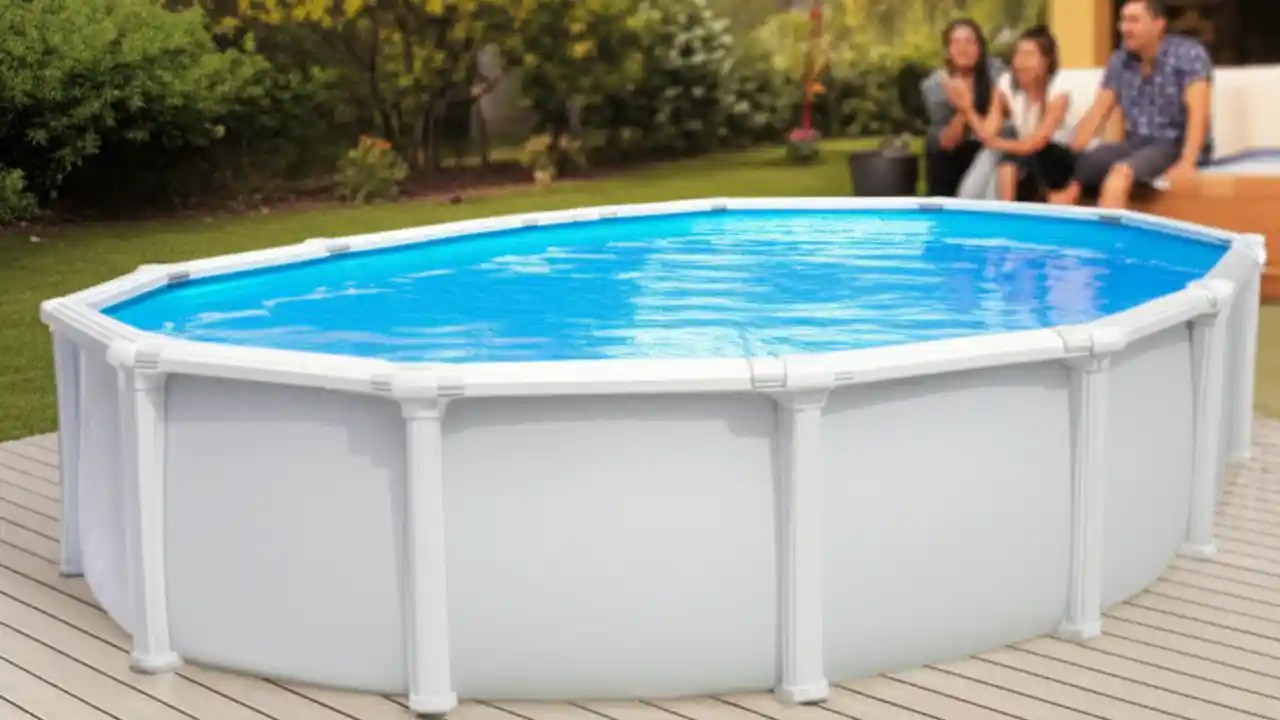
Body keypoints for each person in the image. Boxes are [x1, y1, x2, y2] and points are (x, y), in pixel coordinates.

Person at [1053, 0, 1213, 208]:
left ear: (1159, 25)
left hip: (1173, 144)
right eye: (1123, 21)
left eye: (1134, 21)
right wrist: (1071, 152)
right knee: (1087, 166)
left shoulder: (1189, 55)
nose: (1125, 28)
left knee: (1119, 175)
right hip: (1135, 143)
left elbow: (1198, 112)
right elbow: (1098, 111)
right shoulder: (1120, 61)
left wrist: (1187, 162)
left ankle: (1110, 239)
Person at [949, 26, 1075, 202]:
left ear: (1047, 61)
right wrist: (967, 109)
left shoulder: (1059, 91)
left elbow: (1034, 143)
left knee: (1007, 149)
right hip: (1019, 154)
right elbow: (987, 133)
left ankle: (997, 210)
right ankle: (968, 202)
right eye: (1018, 54)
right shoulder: (1007, 84)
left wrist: (995, 141)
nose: (1021, 62)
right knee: (999, 149)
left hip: (1054, 159)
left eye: (1029, 55)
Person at [920, 19, 1008, 198]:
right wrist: (962, 108)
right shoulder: (935, 84)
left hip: (995, 138)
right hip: (961, 144)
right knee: (934, 142)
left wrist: (970, 105)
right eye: (956, 42)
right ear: (948, 50)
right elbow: (947, 141)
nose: (963, 48)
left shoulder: (996, 72)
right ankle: (941, 205)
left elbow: (996, 126)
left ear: (980, 46)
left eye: (969, 41)